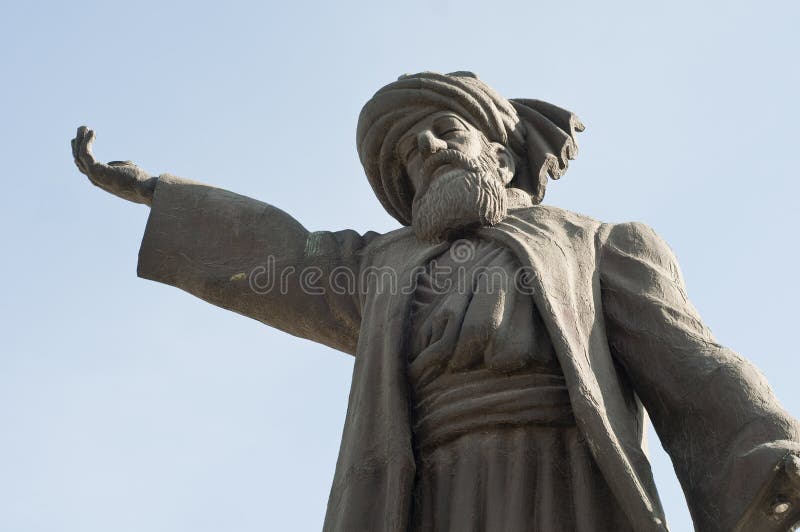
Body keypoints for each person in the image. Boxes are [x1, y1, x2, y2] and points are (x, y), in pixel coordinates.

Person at [72, 71, 800, 532]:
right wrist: (159, 196)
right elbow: (285, 255)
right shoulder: (378, 266)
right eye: (414, 154)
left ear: (502, 156)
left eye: (447, 132)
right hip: (424, 490)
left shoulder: (598, 244)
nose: (429, 149)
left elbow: (692, 361)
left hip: (564, 477)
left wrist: (767, 448)